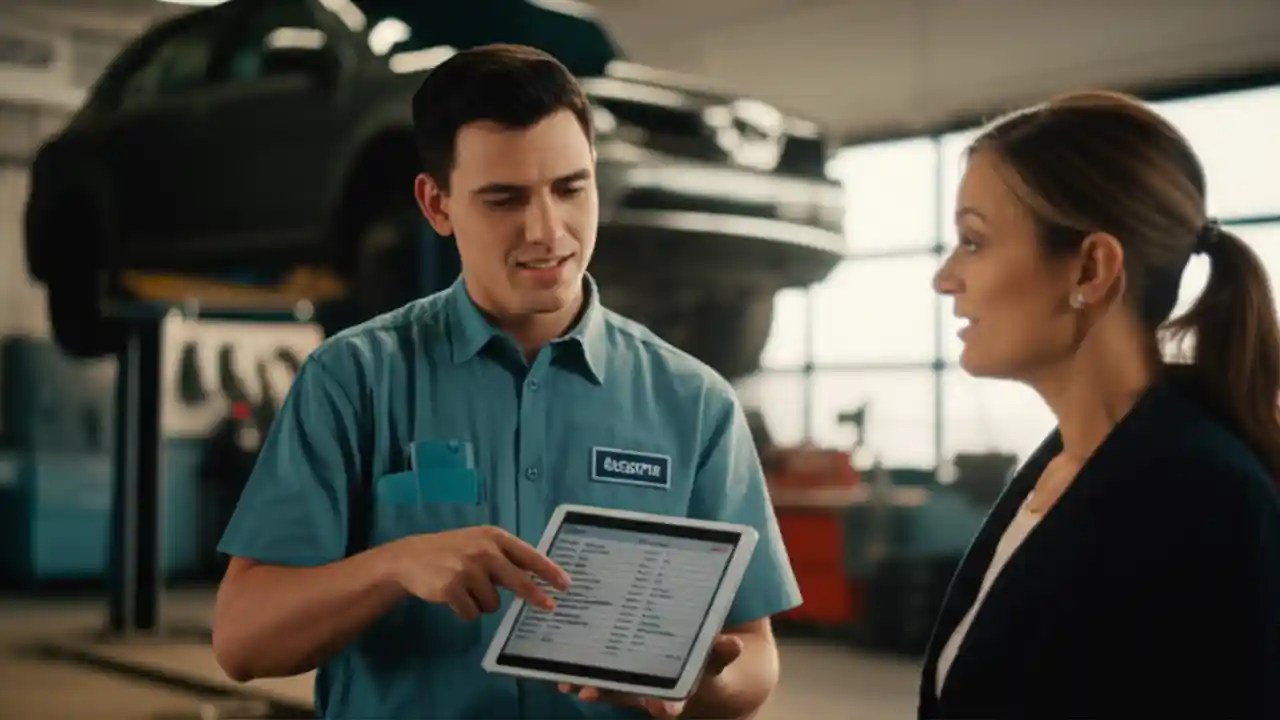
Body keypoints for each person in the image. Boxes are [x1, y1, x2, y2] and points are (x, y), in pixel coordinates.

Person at [210, 44, 800, 720]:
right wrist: (393, 566)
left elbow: (755, 652)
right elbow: (242, 641)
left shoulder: (694, 404)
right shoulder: (354, 381)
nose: (548, 231)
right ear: (437, 204)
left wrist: (702, 685)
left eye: (571, 189)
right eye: (505, 198)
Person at [923, 89, 1280, 718]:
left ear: (1090, 269)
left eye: (973, 242)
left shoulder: (1206, 499)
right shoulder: (1064, 466)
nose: (945, 277)